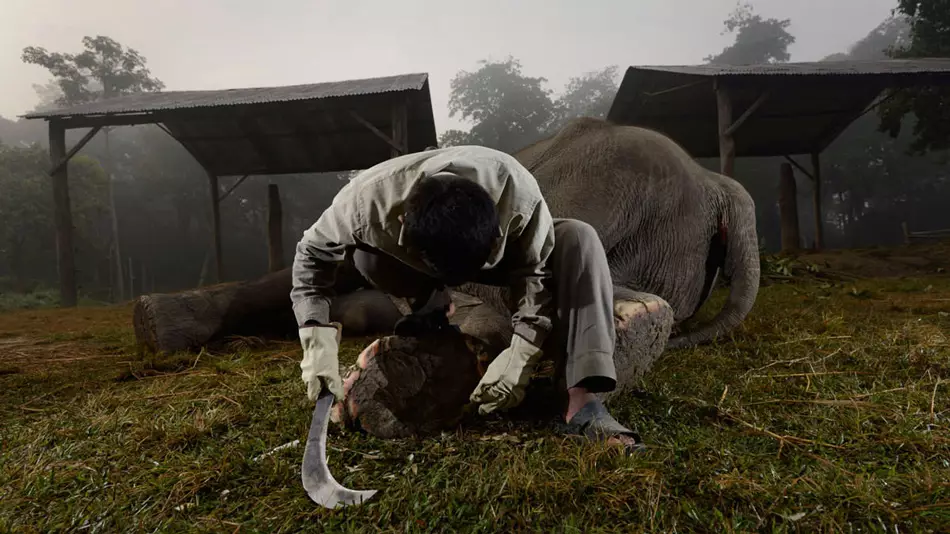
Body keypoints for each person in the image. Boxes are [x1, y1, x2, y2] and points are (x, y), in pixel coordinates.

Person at [290, 144, 642, 452]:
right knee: (366, 257)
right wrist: (315, 336)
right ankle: (430, 316)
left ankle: (582, 401)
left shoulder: (519, 197)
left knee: (579, 238)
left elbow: (535, 277)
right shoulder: (365, 202)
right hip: (410, 258)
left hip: (499, 261)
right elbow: (311, 256)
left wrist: (523, 351)